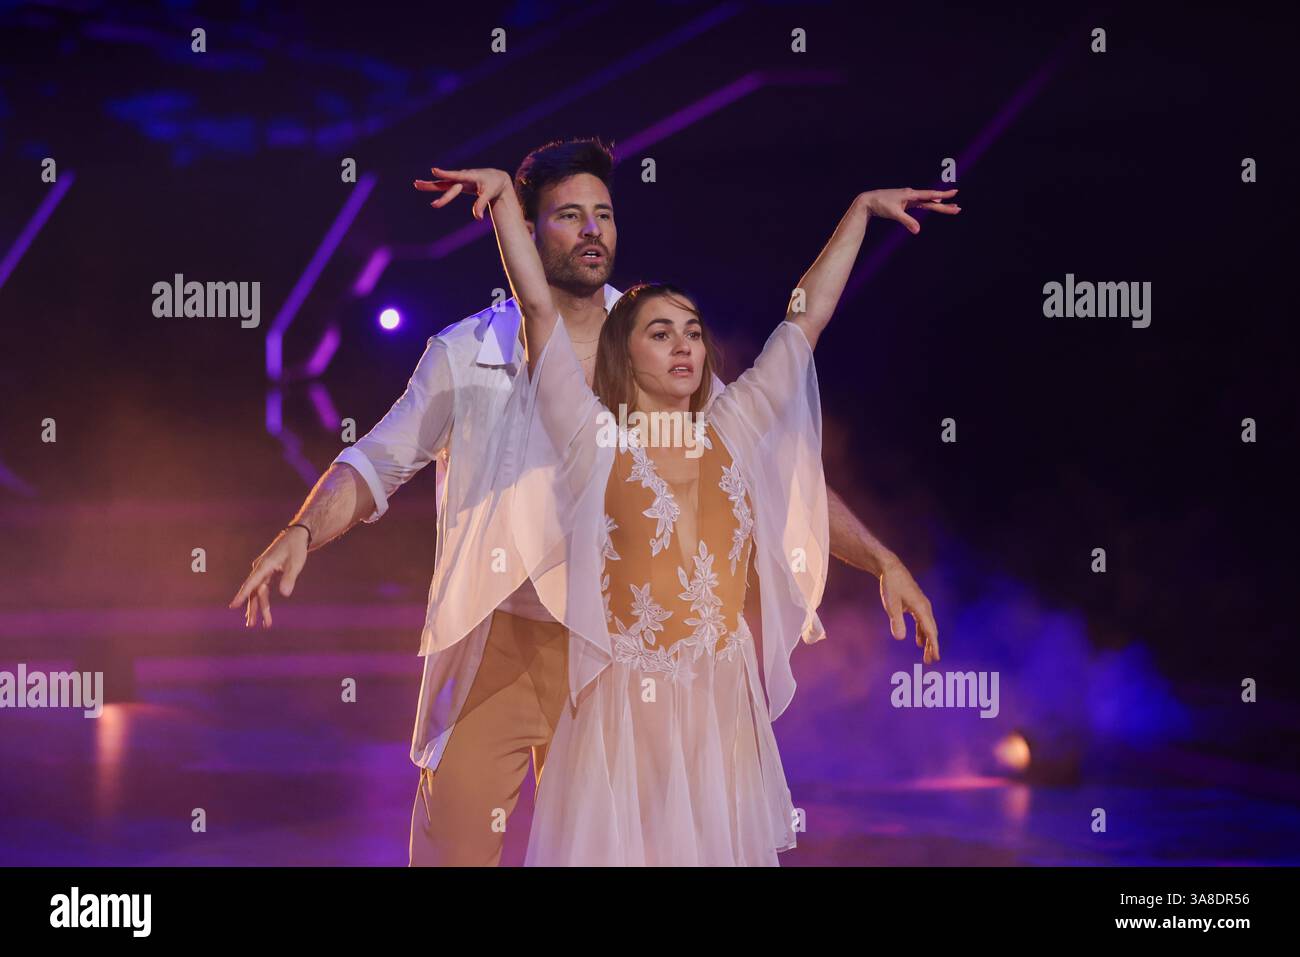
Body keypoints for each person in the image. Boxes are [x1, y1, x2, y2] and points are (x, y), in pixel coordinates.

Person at [228, 137, 941, 866]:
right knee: (455, 851)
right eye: (570, 215)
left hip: (619, 662)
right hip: (502, 642)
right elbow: (376, 461)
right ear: (532, 232)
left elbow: (766, 466)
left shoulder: (650, 351)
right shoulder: (466, 354)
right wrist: (302, 530)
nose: (593, 229)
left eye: (604, 213)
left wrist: (881, 558)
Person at [421, 162, 957, 864]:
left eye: (694, 332)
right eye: (661, 332)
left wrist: (858, 210)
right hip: (621, 714)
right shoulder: (591, 439)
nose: (684, 345)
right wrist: (500, 208)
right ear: (626, 352)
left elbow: (806, 319)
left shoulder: (734, 425)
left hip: (718, 709)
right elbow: (540, 312)